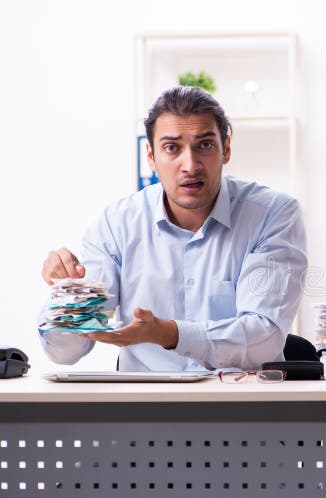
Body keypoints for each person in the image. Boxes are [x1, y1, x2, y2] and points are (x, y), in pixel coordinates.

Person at [39, 86, 307, 371]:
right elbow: (65, 353)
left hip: (239, 404)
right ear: (151, 156)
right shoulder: (117, 224)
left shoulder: (273, 215)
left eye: (204, 145)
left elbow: (263, 340)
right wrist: (67, 295)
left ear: (226, 148)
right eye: (172, 148)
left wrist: (170, 334)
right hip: (144, 410)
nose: (190, 165)